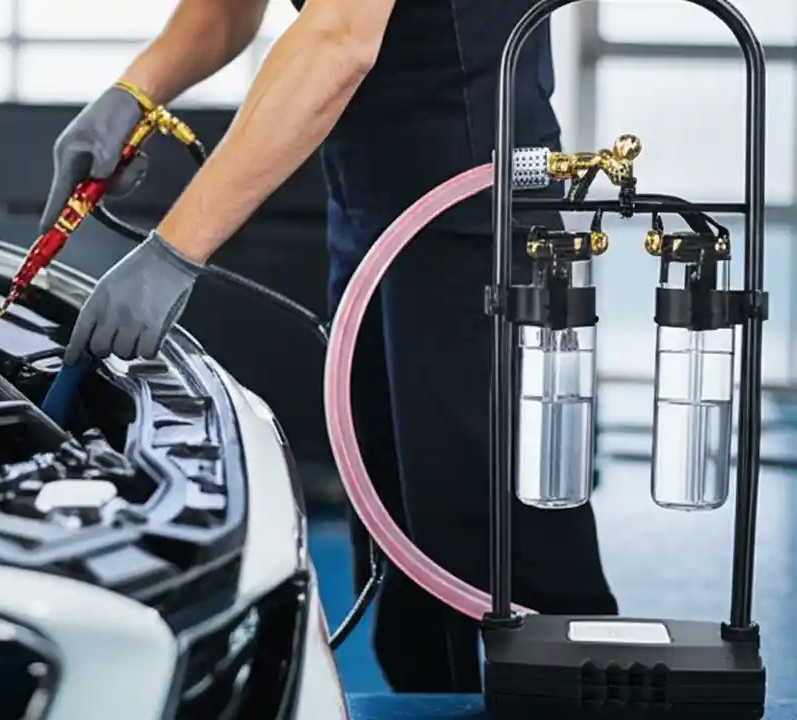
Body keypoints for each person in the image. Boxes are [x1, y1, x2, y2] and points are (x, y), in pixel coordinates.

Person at [44, 0, 618, 692]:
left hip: (475, 222)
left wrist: (173, 251)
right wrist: (137, 90)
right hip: (373, 216)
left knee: (504, 562)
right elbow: (229, 8)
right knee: (405, 572)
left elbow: (339, 39)